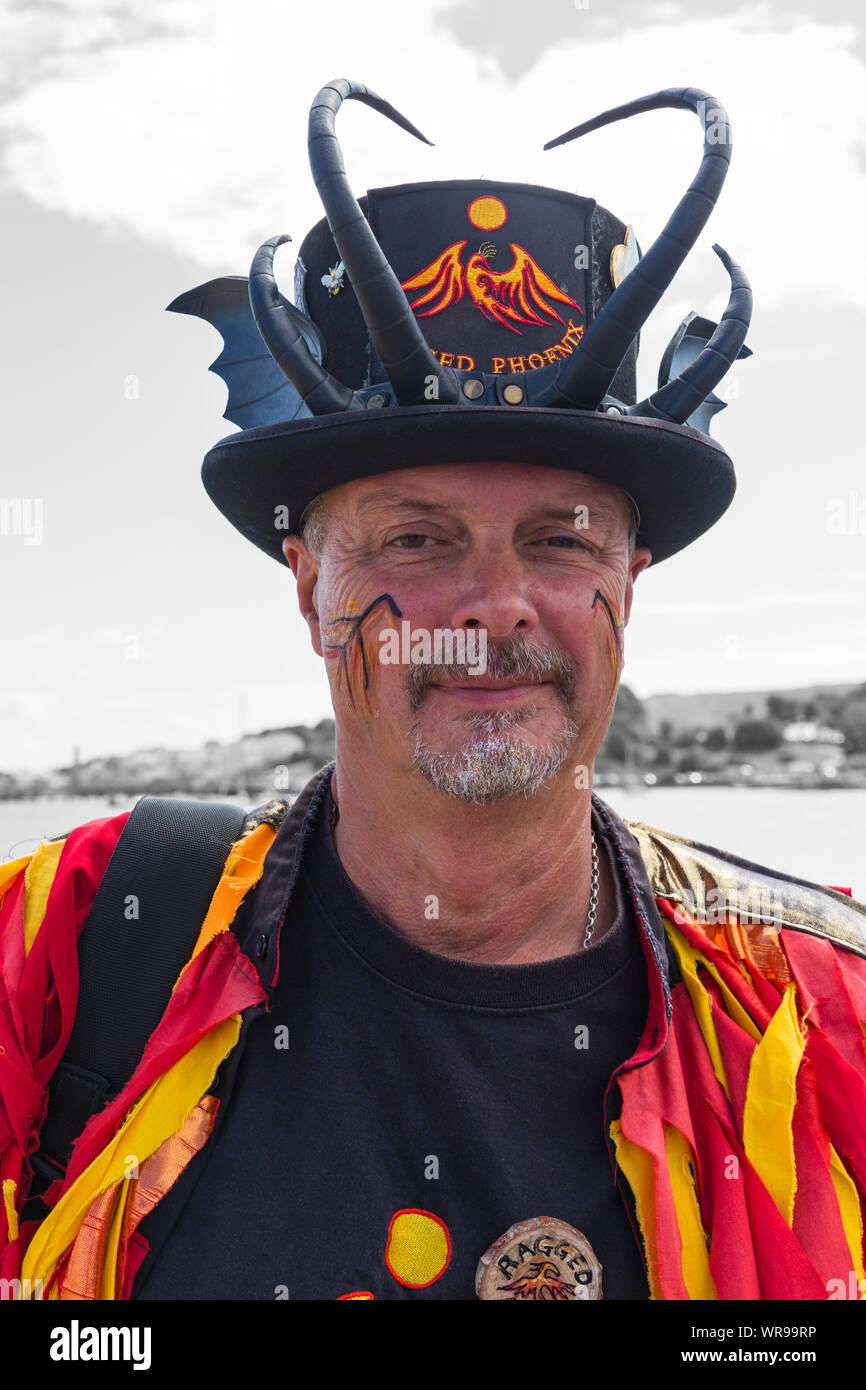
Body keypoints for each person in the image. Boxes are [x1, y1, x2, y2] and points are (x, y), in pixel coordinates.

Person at [3, 79, 866, 1303]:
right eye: (415, 540)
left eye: (561, 541)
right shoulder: (63, 957)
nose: (494, 605)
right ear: (307, 589)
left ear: (631, 580)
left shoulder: (822, 1024)